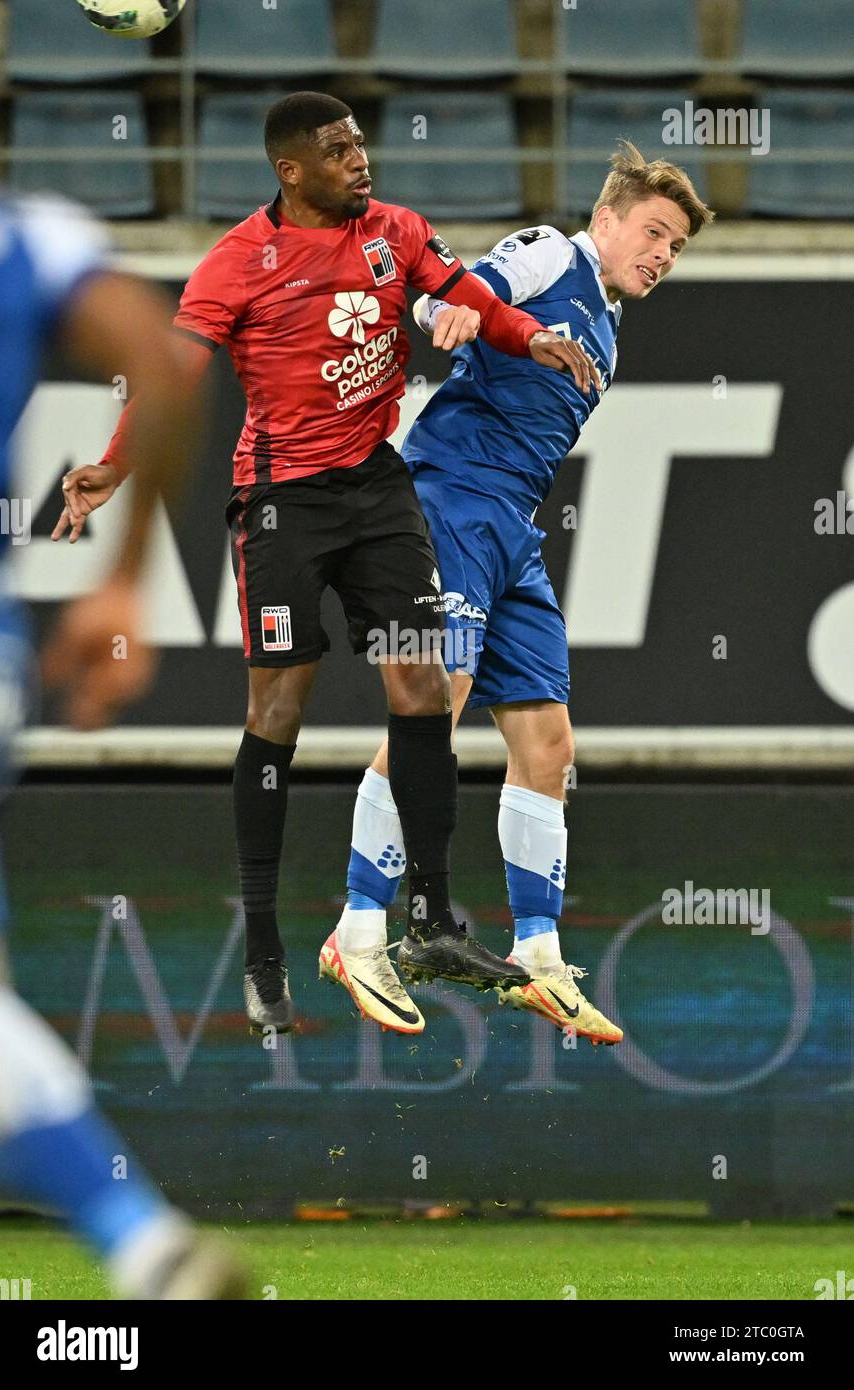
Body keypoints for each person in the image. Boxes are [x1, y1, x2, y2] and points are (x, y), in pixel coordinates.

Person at [54, 91, 601, 1038]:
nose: (362, 162)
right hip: (281, 507)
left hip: (378, 493)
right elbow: (174, 375)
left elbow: (466, 297)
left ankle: (426, 922)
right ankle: (264, 955)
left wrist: (534, 335)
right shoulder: (236, 264)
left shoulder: (396, 232)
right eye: (340, 151)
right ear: (290, 169)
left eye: (361, 145)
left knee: (422, 685)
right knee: (277, 713)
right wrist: (113, 462)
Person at [339, 143, 715, 1043]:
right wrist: (446, 314)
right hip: (448, 503)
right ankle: (358, 929)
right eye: (653, 232)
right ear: (607, 219)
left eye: (675, 246)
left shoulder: (610, 327)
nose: (661, 253)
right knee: (437, 707)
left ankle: (539, 955)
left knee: (547, 744)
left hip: (511, 528)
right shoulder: (553, 252)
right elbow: (450, 288)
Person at [0, 186, 246, 1295]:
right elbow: (160, 353)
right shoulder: (23, 232)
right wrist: (124, 576)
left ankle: (136, 1234)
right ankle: (141, 1241)